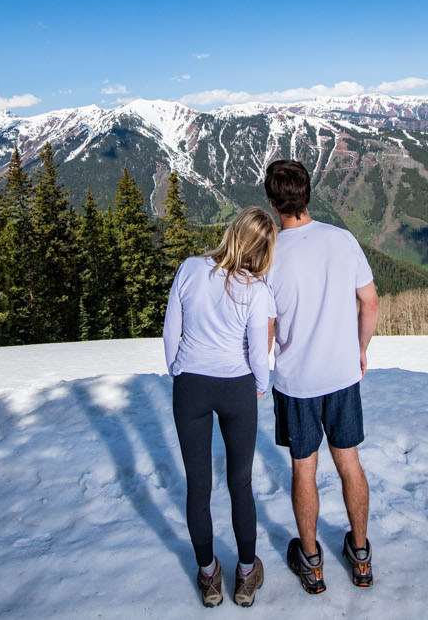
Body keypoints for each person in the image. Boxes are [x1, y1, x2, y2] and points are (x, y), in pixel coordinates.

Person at [263, 158, 379, 593]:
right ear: (308, 194)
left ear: (273, 202)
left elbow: (268, 327)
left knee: (303, 468)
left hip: (296, 382)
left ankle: (311, 561)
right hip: (342, 373)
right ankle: (361, 556)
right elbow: (369, 303)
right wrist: (360, 349)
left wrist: (261, 366)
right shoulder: (342, 240)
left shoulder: (270, 252)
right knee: (348, 461)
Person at [163, 206, 279, 608]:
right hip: (237, 388)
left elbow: (171, 330)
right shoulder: (257, 290)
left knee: (199, 485)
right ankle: (246, 575)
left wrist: (179, 368)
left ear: (232, 232)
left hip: (191, 385)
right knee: (240, 482)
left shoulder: (190, 269)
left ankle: (209, 576)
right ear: (263, 251)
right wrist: (259, 388)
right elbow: (257, 351)